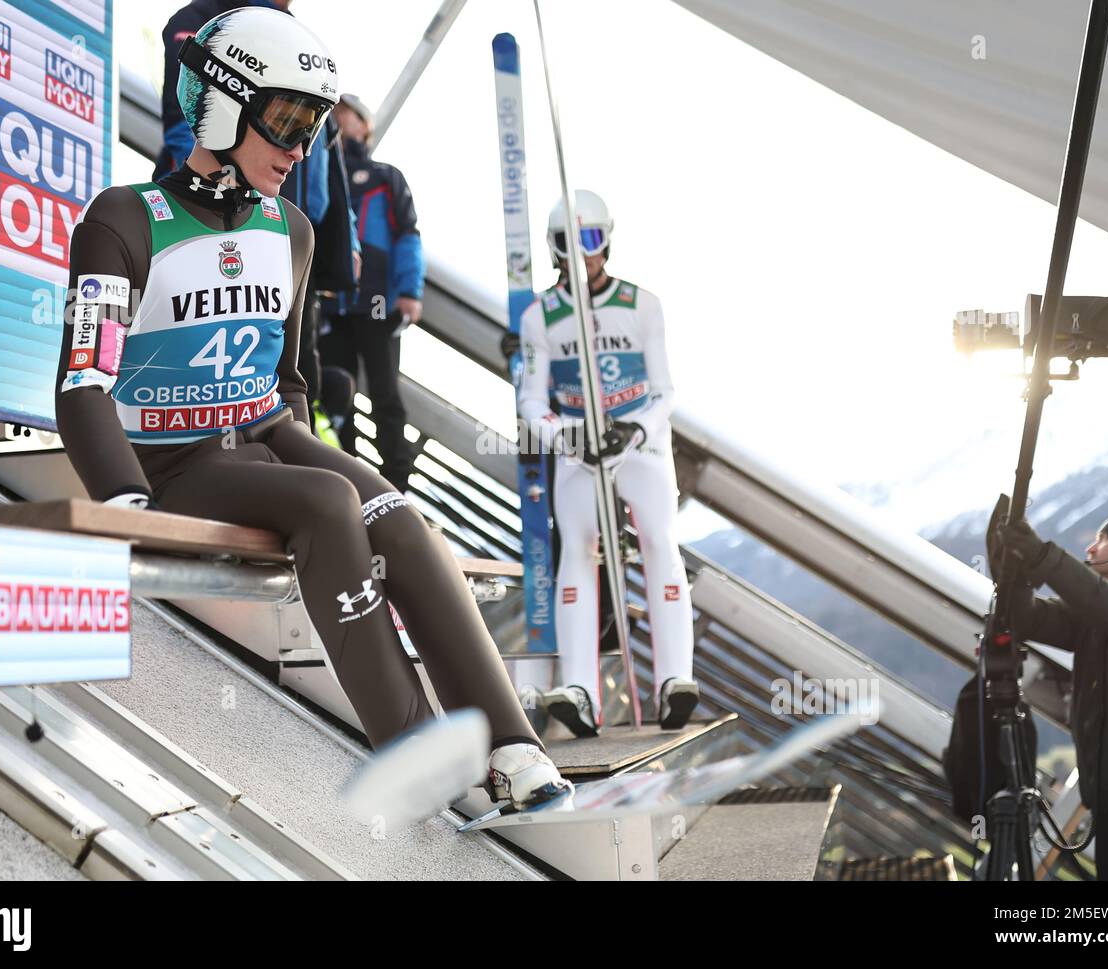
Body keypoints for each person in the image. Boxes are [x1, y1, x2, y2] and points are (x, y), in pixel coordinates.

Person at [54, 7, 569, 809]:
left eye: (313, 126)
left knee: (398, 513)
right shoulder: (125, 220)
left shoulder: (289, 228)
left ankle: (512, 746)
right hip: (170, 462)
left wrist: (295, 438)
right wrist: (124, 501)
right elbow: (86, 380)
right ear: (223, 104)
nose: (300, 150)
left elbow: (286, 374)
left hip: (260, 437)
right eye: (288, 121)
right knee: (332, 502)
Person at [517, 190, 699, 737]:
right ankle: (580, 688)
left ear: (608, 241)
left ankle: (675, 681)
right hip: (580, 452)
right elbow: (531, 400)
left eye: (591, 241)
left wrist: (635, 427)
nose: (582, 255)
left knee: (659, 541)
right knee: (579, 547)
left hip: (639, 446)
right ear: (553, 251)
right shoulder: (539, 316)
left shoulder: (643, 304)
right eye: (569, 245)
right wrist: (566, 435)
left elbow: (666, 393)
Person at [155, 0, 359, 446]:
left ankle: (295, 451)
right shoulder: (203, 21)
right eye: (288, 117)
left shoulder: (298, 40)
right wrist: (192, 205)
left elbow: (327, 158)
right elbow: (189, 118)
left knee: (299, 366)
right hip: (216, 219)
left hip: (288, 231)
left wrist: (346, 244)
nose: (299, 149)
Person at [990, 502, 1108, 879]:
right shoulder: (1099, 614)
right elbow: (1026, 618)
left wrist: (1043, 557)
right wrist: (1013, 573)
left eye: (1103, 539)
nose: (1091, 549)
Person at [319, 94, 425, 491]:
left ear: (366, 126)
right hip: (331, 305)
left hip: (378, 304)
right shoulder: (319, 170)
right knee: (334, 394)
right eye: (334, 112)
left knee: (385, 396)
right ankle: (346, 482)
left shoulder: (386, 176)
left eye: (349, 113)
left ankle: (397, 487)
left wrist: (409, 292)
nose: (340, 117)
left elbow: (408, 236)